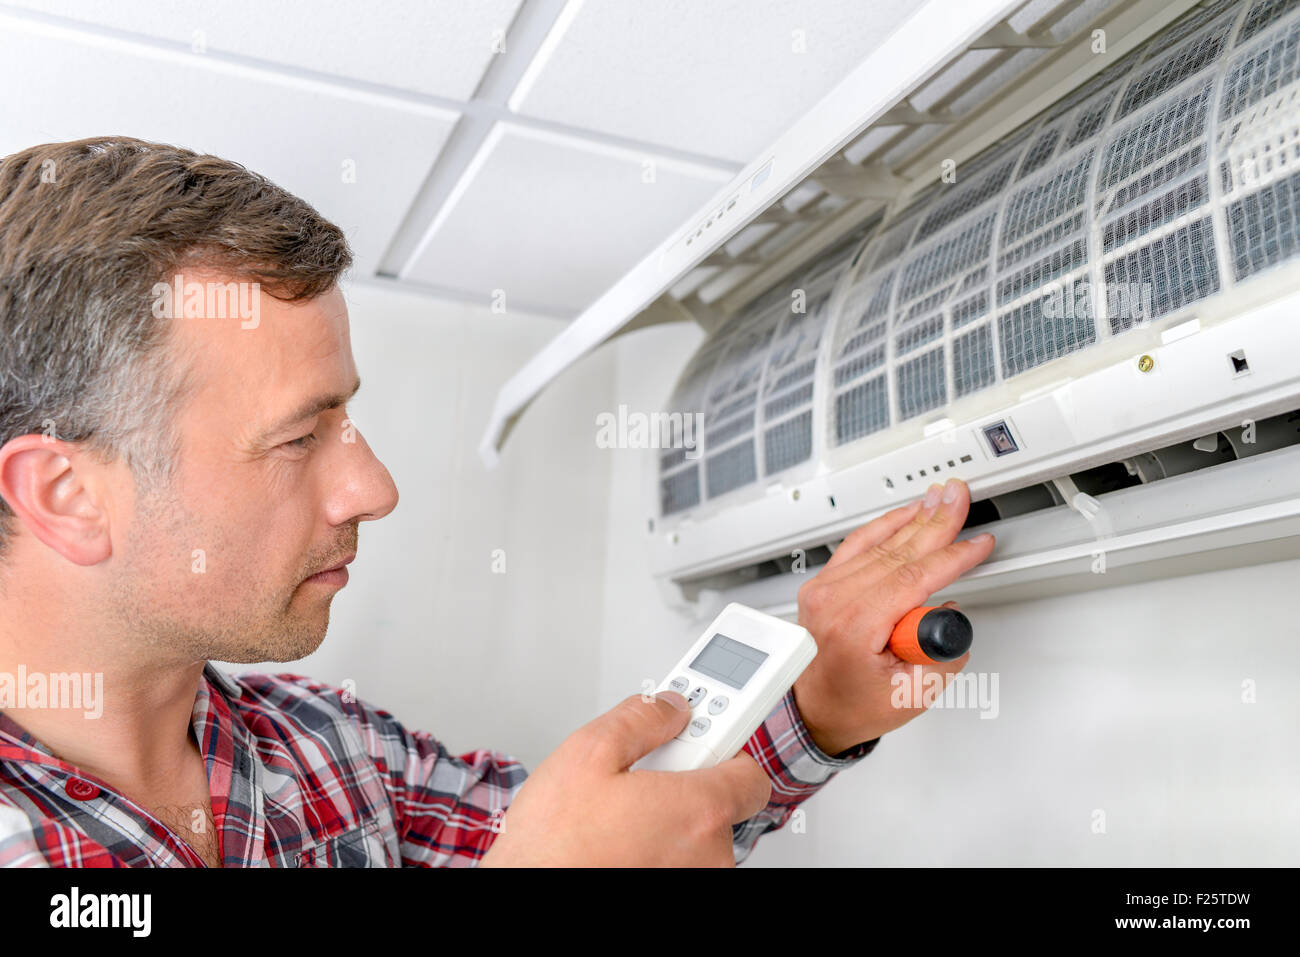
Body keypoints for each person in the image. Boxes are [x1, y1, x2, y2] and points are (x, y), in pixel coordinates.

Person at [0, 137, 995, 867]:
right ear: (69, 493)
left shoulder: (333, 753)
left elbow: (615, 838)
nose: (373, 488)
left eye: (345, 422)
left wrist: (820, 707)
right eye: (298, 439)